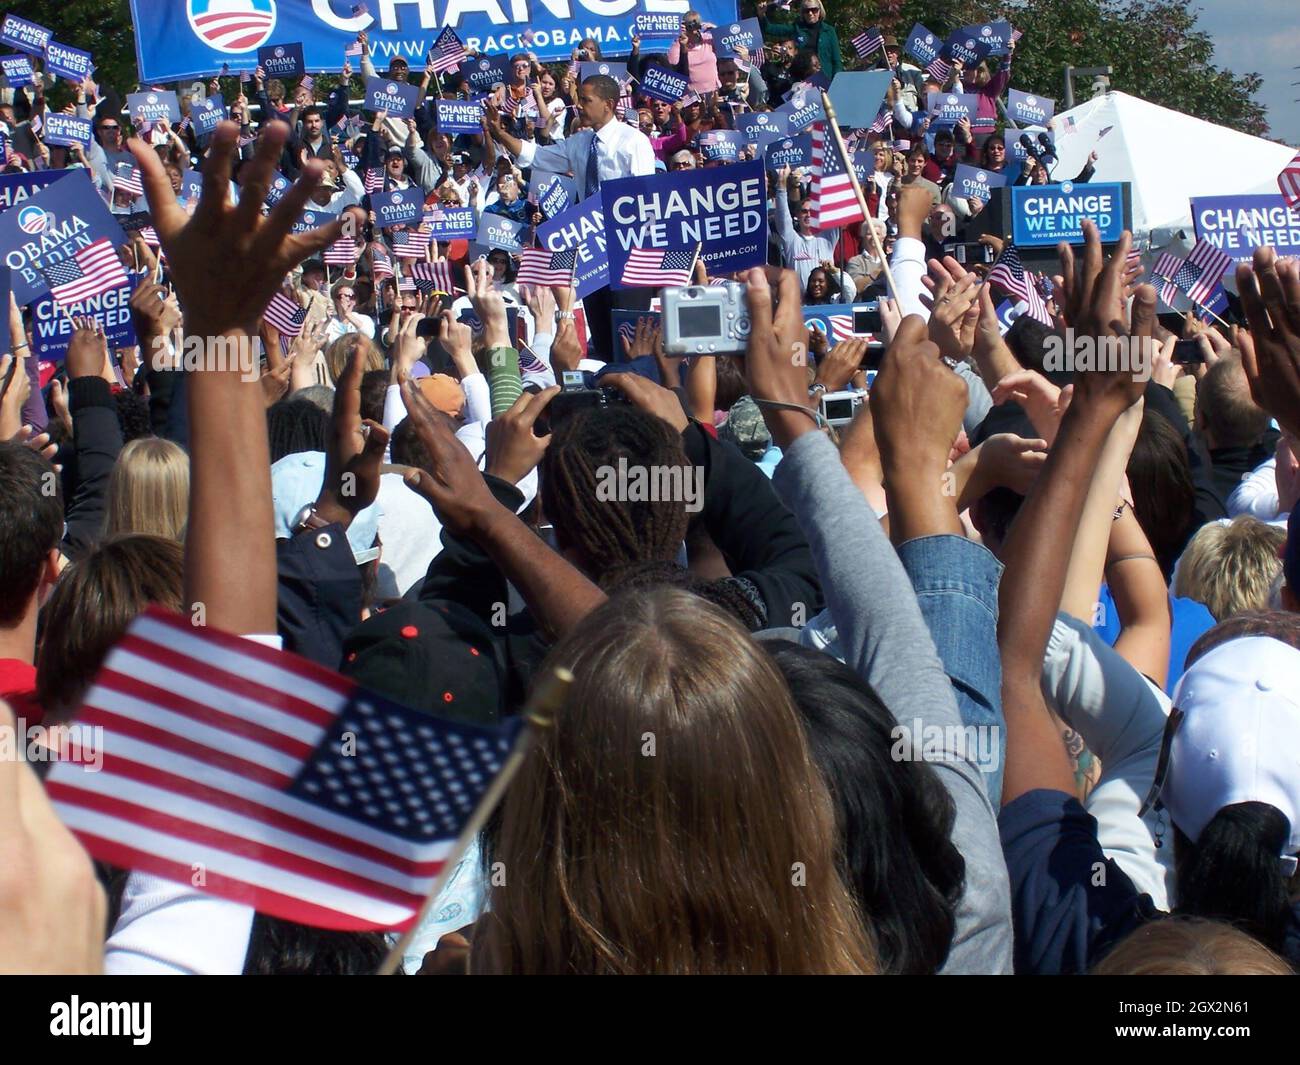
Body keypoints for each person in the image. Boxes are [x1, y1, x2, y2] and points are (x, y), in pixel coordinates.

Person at [756, 0, 844, 81]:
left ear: (820, 11)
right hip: (802, 79)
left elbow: (836, 61)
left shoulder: (829, 31)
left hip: (825, 78)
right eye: (806, 11)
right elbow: (769, 29)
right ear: (802, 13)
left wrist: (837, 80)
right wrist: (762, 14)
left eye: (814, 10)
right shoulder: (796, 28)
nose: (810, 13)